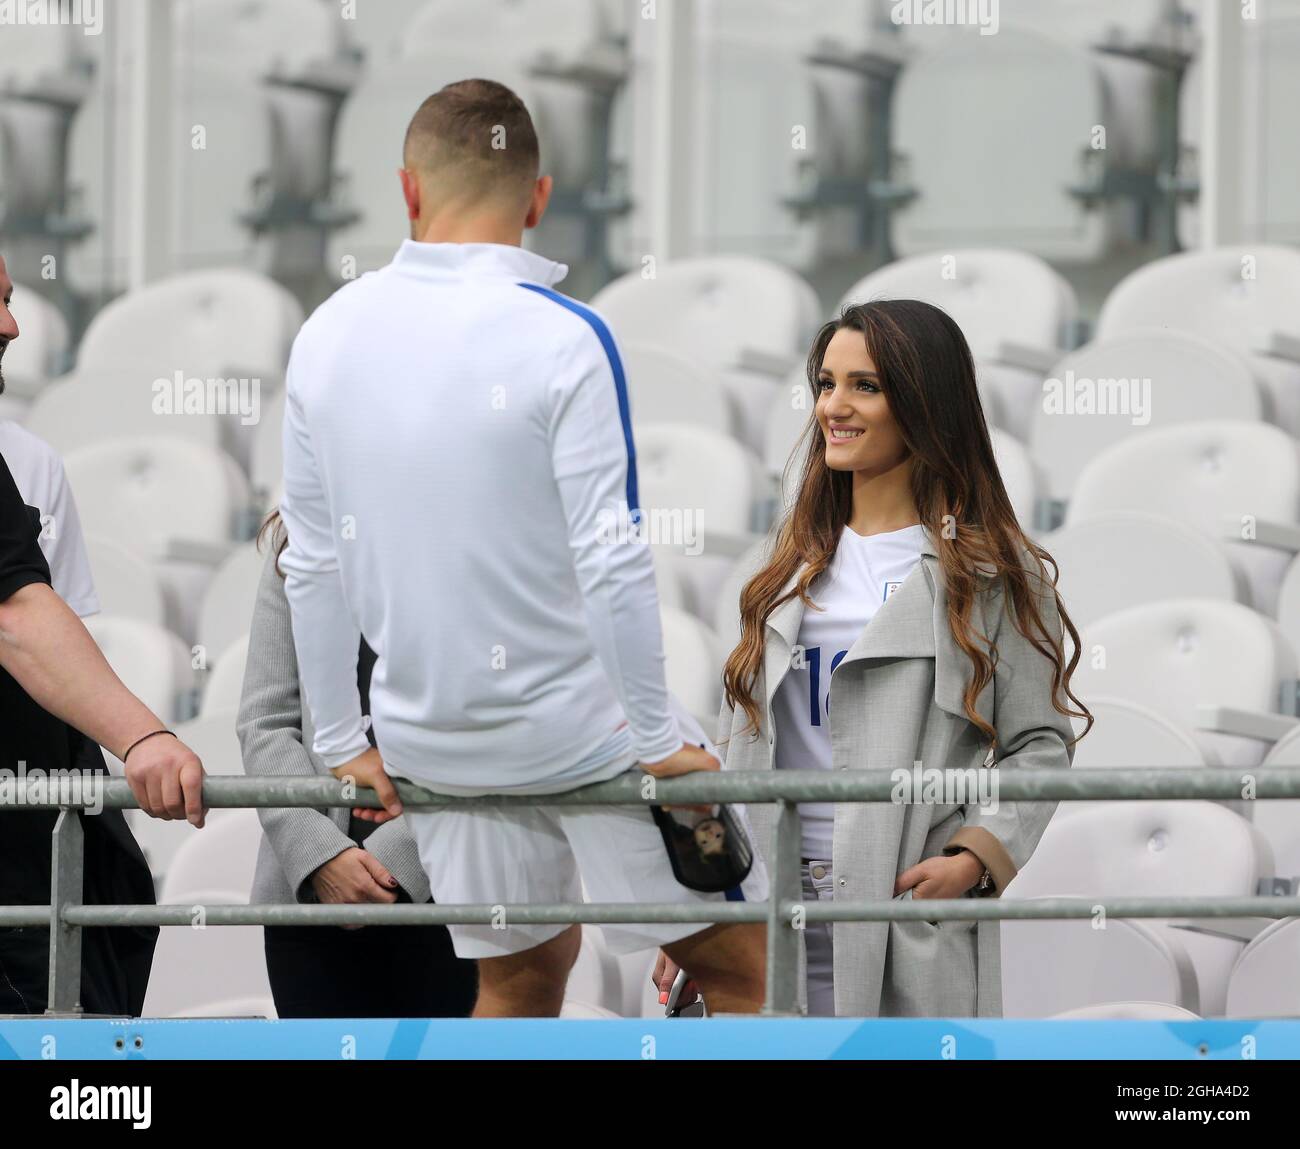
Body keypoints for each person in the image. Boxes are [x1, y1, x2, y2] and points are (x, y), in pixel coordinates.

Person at [276, 78, 766, 1017]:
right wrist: (660, 744)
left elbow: (311, 560)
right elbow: (613, 556)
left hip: (434, 740)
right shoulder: (566, 335)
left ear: (407, 191)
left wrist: (343, 742)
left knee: (517, 979)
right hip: (584, 734)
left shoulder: (324, 336)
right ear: (538, 199)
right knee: (745, 970)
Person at [662, 299, 1090, 1016]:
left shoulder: (994, 572)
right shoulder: (785, 565)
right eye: (826, 383)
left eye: (865, 386)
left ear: (925, 404)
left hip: (903, 911)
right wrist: (700, 910)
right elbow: (739, 744)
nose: (835, 405)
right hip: (765, 908)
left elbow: (1040, 744)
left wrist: (974, 857)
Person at [0, 263, 208, 1015]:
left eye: (12, 301)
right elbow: (18, 618)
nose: (11, 327)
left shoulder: (29, 464)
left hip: (35, 856)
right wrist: (145, 736)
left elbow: (49, 633)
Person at [238, 512, 478, 1018]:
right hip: (307, 898)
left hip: (454, 891)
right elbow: (266, 720)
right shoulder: (300, 534)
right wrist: (319, 856)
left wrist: (396, 864)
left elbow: (490, 723)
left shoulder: (476, 523)